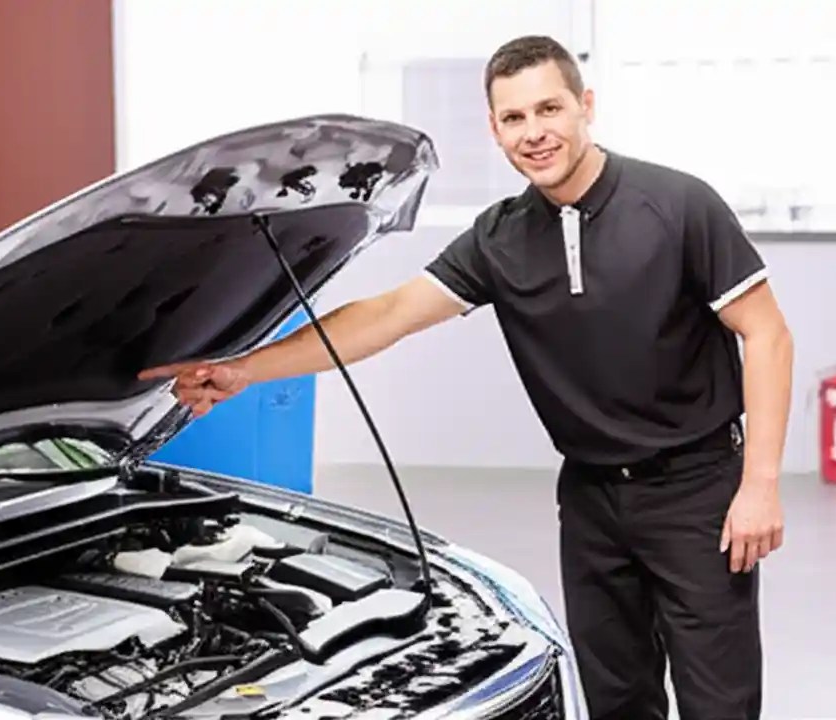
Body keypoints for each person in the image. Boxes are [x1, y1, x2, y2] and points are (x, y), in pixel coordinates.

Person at [140, 34, 792, 720]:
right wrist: (244, 370)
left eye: (549, 109)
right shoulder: (499, 238)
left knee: (718, 702)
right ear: (494, 128)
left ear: (586, 106)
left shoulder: (678, 204)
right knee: (616, 700)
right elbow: (386, 315)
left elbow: (768, 335)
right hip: (592, 498)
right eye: (514, 118)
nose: (534, 133)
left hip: (697, 491)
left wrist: (760, 486)